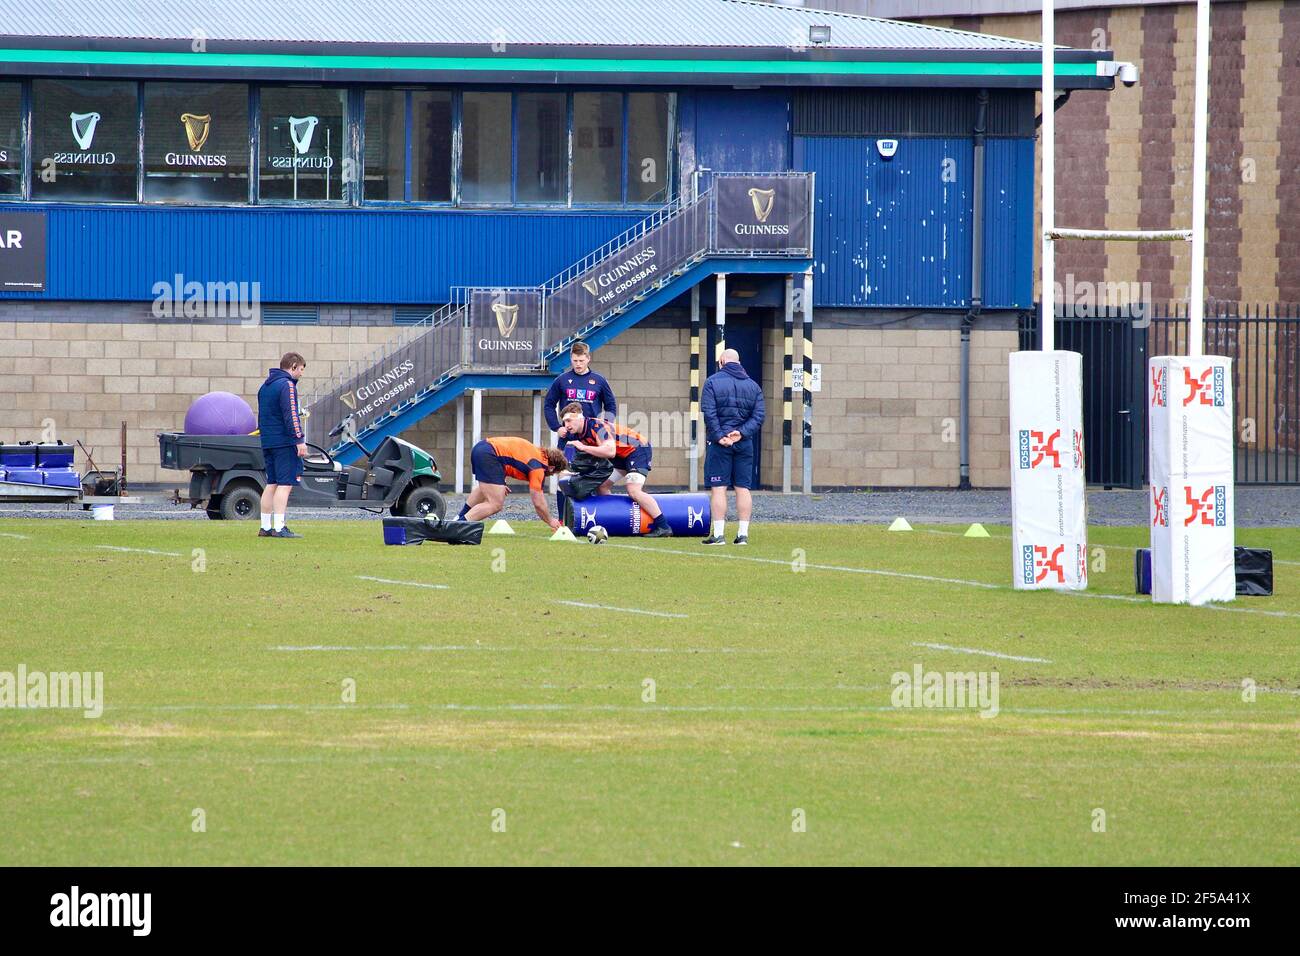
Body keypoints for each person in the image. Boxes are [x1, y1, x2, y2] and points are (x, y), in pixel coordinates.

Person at [559, 403, 672, 538]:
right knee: (602, 486)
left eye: (568, 420)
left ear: (579, 418)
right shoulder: (581, 433)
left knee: (633, 491)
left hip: (638, 449)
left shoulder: (597, 427)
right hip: (622, 455)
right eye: (564, 422)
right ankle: (611, 520)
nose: (566, 425)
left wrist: (583, 448)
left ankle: (664, 526)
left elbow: (610, 451)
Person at [700, 348, 765, 545]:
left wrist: (720, 436)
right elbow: (759, 416)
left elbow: (709, 413)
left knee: (718, 488)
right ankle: (743, 534)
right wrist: (741, 433)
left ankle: (719, 535)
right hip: (744, 443)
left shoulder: (712, 382)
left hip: (720, 445)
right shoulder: (754, 386)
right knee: (743, 488)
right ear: (739, 362)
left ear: (722, 361)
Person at [457, 437, 569, 529]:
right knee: (495, 504)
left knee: (485, 490)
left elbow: (508, 457)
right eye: (553, 473)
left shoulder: (537, 452)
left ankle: (458, 518)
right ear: (551, 468)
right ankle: (458, 526)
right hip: (490, 454)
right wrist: (550, 521)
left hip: (481, 446)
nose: (550, 475)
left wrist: (500, 482)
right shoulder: (538, 468)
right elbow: (538, 502)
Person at [256, 352, 308, 539]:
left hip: (268, 441)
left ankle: (265, 526)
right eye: (301, 369)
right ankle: (279, 527)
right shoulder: (286, 385)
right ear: (293, 366)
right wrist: (299, 439)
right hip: (284, 442)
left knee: (272, 483)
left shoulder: (265, 386)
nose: (301, 374)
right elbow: (291, 415)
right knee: (285, 485)